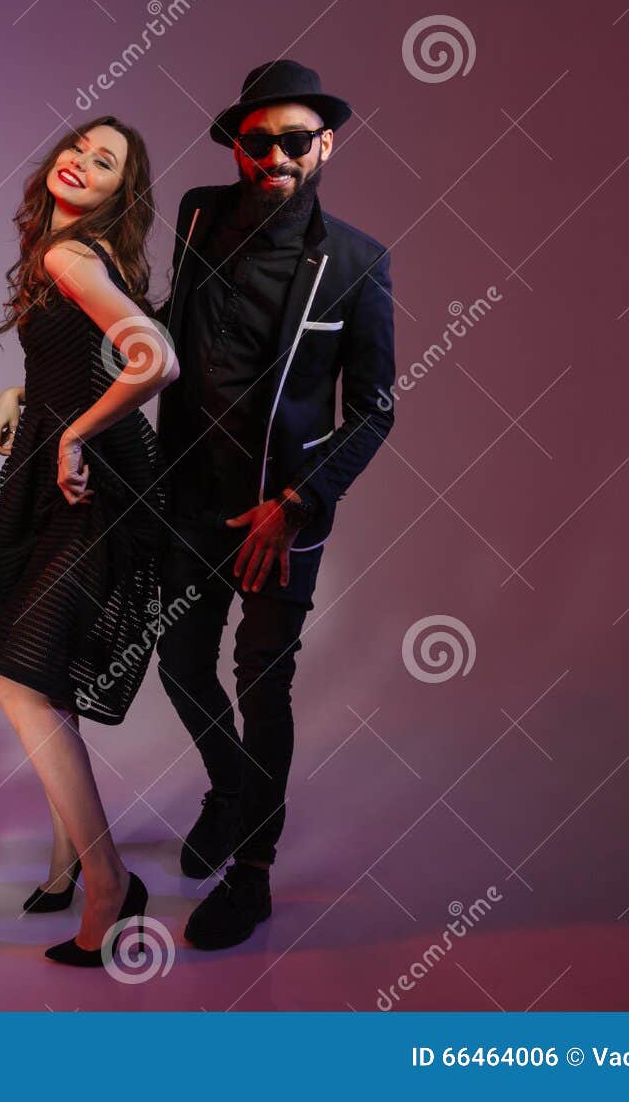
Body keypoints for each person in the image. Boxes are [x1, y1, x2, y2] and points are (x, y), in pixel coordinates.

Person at [153, 59, 396, 949]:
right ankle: (231, 788)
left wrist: (294, 504)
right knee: (179, 663)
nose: (277, 158)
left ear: (325, 144)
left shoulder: (358, 263)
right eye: (260, 144)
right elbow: (165, 328)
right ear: (237, 149)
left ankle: (251, 871)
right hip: (185, 496)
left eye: (296, 141)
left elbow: (374, 410)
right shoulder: (195, 215)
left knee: (264, 681)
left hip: (278, 516)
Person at [0, 117, 177, 966]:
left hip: (92, 489)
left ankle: (108, 881)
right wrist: (24, 393)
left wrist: (75, 435)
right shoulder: (68, 256)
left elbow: (151, 358)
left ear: (124, 193)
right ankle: (67, 860)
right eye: (78, 149)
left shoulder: (68, 256)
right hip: (68, 481)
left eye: (107, 162)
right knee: (39, 675)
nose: (82, 164)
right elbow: (87, 351)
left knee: (21, 680)